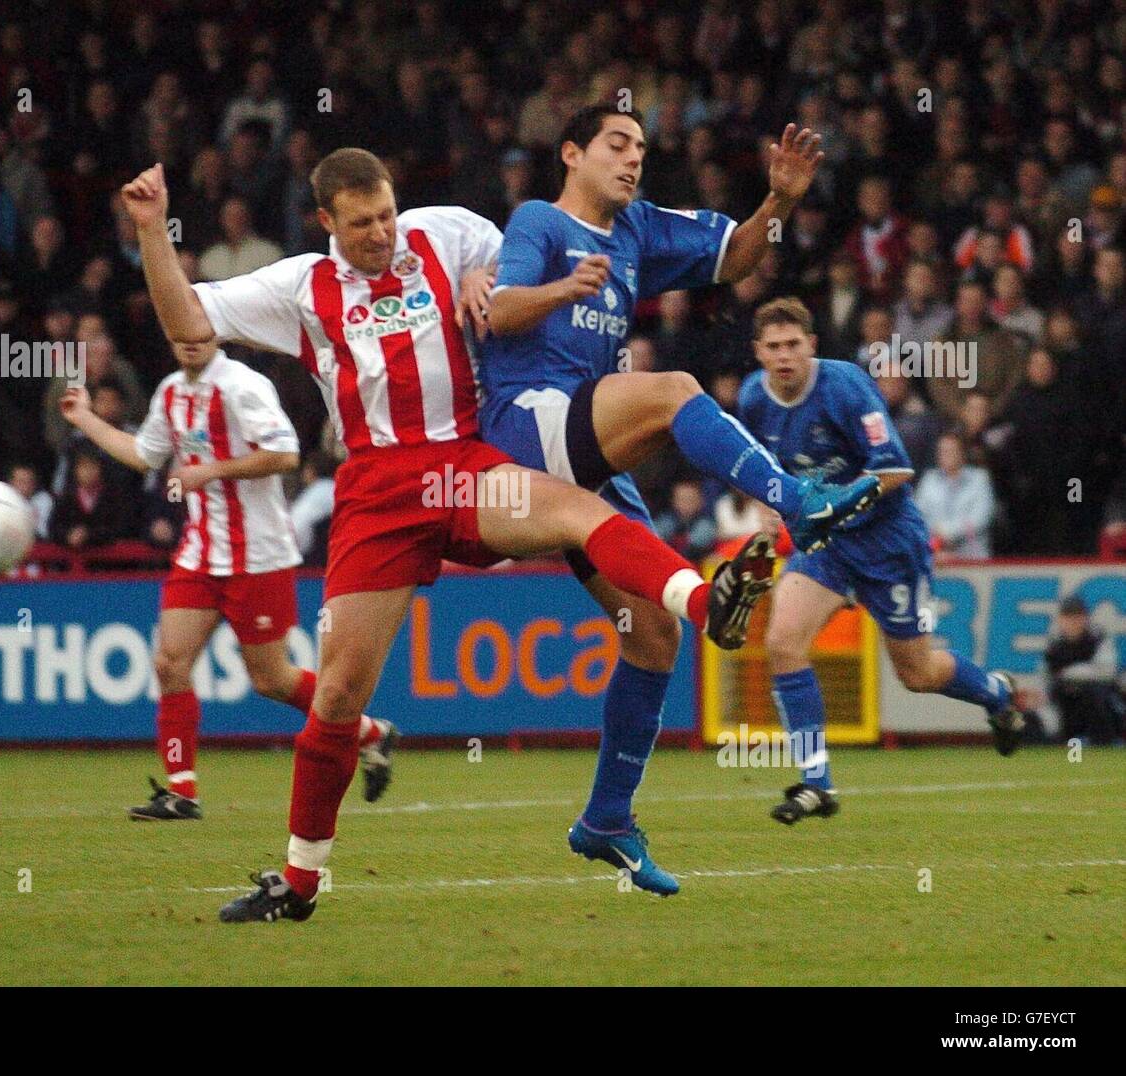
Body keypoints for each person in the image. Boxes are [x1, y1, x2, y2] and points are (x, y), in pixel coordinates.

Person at [118, 148, 767, 923]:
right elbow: (188, 317)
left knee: (579, 513)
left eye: (387, 214)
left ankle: (706, 604)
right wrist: (153, 229)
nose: (381, 233)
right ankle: (298, 882)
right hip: (378, 495)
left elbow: (519, 275)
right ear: (327, 221)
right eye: (361, 224)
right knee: (335, 695)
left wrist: (481, 281)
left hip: (463, 466)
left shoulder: (444, 232)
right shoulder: (298, 287)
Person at [478, 105, 880, 887]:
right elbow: (498, 312)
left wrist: (780, 205)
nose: (633, 161)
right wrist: (566, 287)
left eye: (641, 150)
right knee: (672, 392)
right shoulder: (537, 222)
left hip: (585, 452)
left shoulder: (637, 229)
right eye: (616, 146)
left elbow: (732, 259)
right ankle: (798, 501)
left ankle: (606, 820)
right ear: (572, 154)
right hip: (526, 427)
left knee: (653, 636)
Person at [61, 336, 397, 819]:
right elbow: (145, 455)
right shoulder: (171, 392)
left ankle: (370, 732)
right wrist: (86, 419)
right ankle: (182, 792)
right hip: (200, 553)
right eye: (181, 333)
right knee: (169, 664)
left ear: (215, 334)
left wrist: (207, 472)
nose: (192, 341)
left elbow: (284, 455)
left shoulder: (244, 386)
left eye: (202, 332)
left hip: (258, 556)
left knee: (270, 678)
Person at [737, 298, 1026, 824]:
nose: (784, 357)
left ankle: (996, 694)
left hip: (889, 541)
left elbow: (896, 469)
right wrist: (766, 511)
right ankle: (816, 783)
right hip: (828, 548)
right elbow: (761, 469)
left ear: (812, 346)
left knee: (916, 672)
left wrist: (833, 506)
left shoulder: (844, 387)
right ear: (758, 352)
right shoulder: (753, 399)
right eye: (773, 347)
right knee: (782, 642)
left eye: (793, 345)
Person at [1038, 596, 1123, 745]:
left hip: (1101, 700)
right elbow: (1045, 680)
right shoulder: (1055, 645)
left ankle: (1103, 742)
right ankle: (1068, 742)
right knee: (1058, 696)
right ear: (1060, 619)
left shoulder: (1097, 638)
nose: (1073, 622)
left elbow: (1107, 671)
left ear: (1085, 617)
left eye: (1077, 616)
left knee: (1092, 693)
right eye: (1068, 617)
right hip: (1067, 702)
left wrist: (1070, 674)